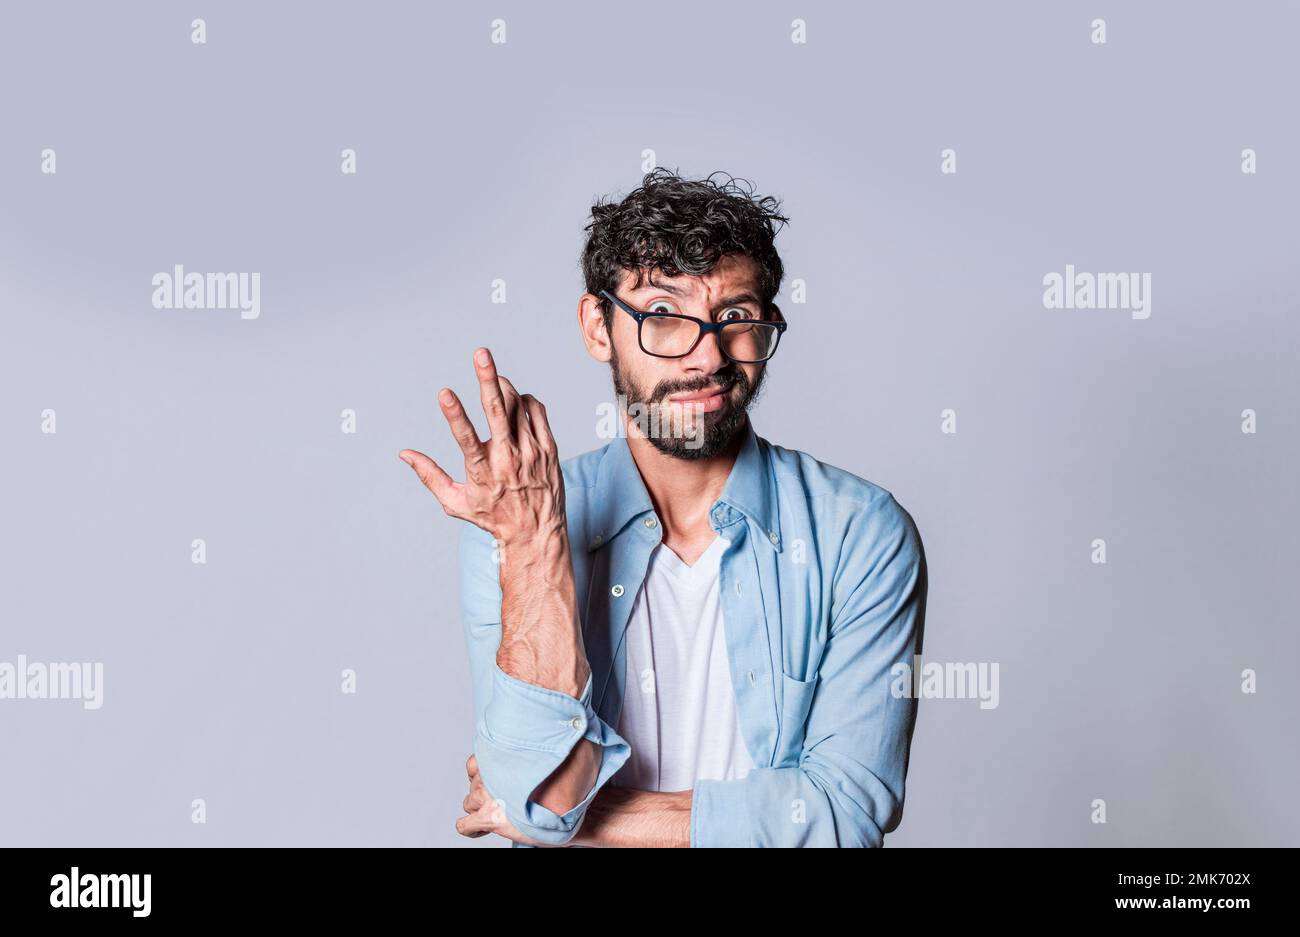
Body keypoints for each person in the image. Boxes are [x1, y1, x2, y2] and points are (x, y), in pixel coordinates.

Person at [400, 169, 927, 847]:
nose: (706, 355)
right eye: (663, 315)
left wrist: (574, 822)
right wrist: (534, 550)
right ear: (599, 326)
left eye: (736, 317)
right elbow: (545, 789)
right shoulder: (517, 525)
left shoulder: (859, 531)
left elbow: (843, 816)